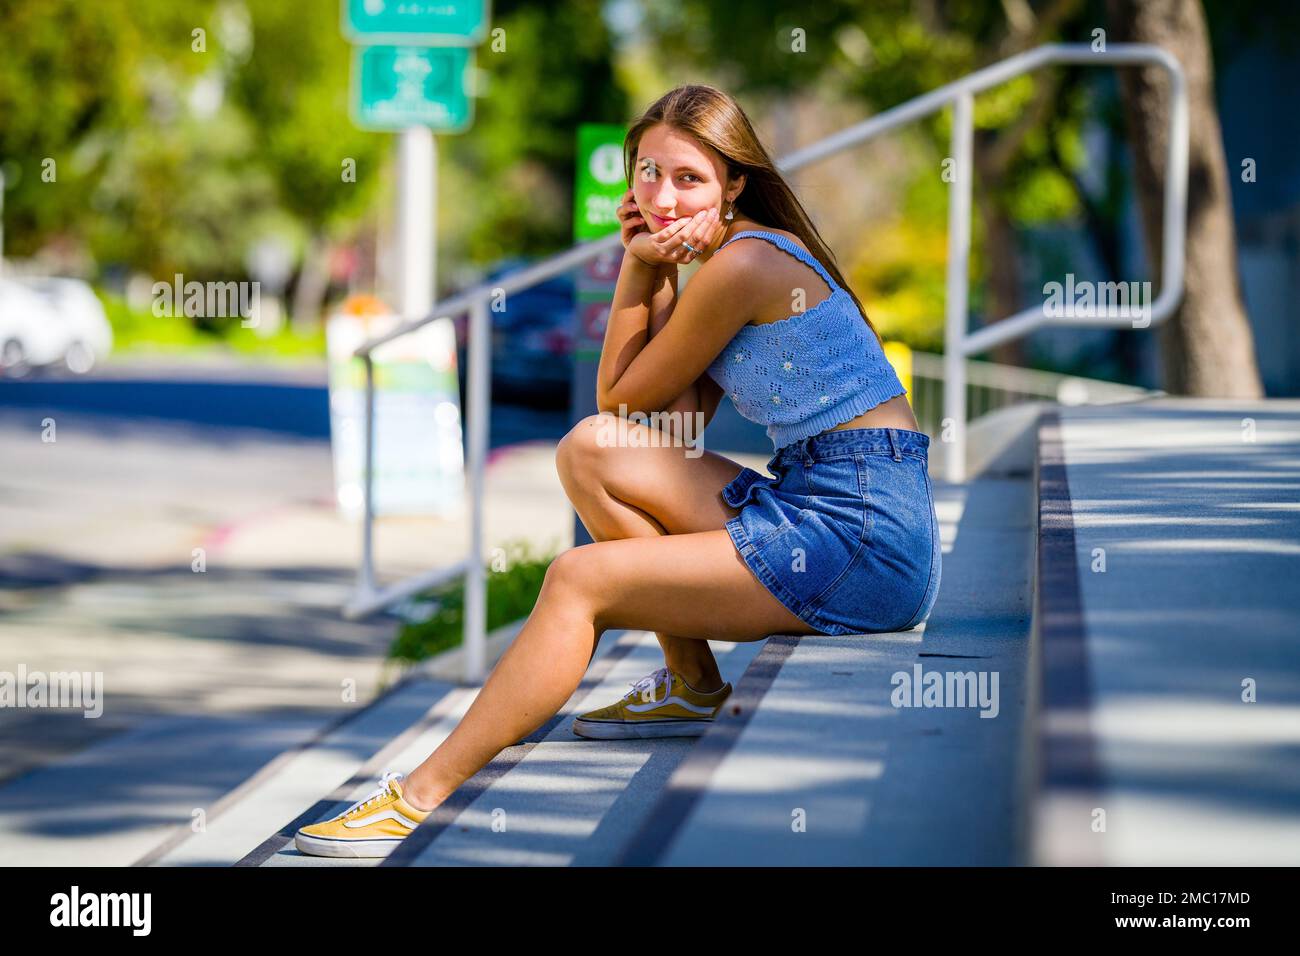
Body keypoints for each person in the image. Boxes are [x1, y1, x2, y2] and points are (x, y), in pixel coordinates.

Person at [294, 84, 942, 859]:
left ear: (735, 183)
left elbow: (622, 391)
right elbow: (655, 423)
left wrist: (638, 264)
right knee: (591, 450)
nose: (661, 197)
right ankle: (693, 681)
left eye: (688, 178)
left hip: (862, 536)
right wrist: (656, 273)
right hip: (829, 502)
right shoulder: (727, 265)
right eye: (646, 173)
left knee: (579, 578)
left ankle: (417, 798)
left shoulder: (745, 265)